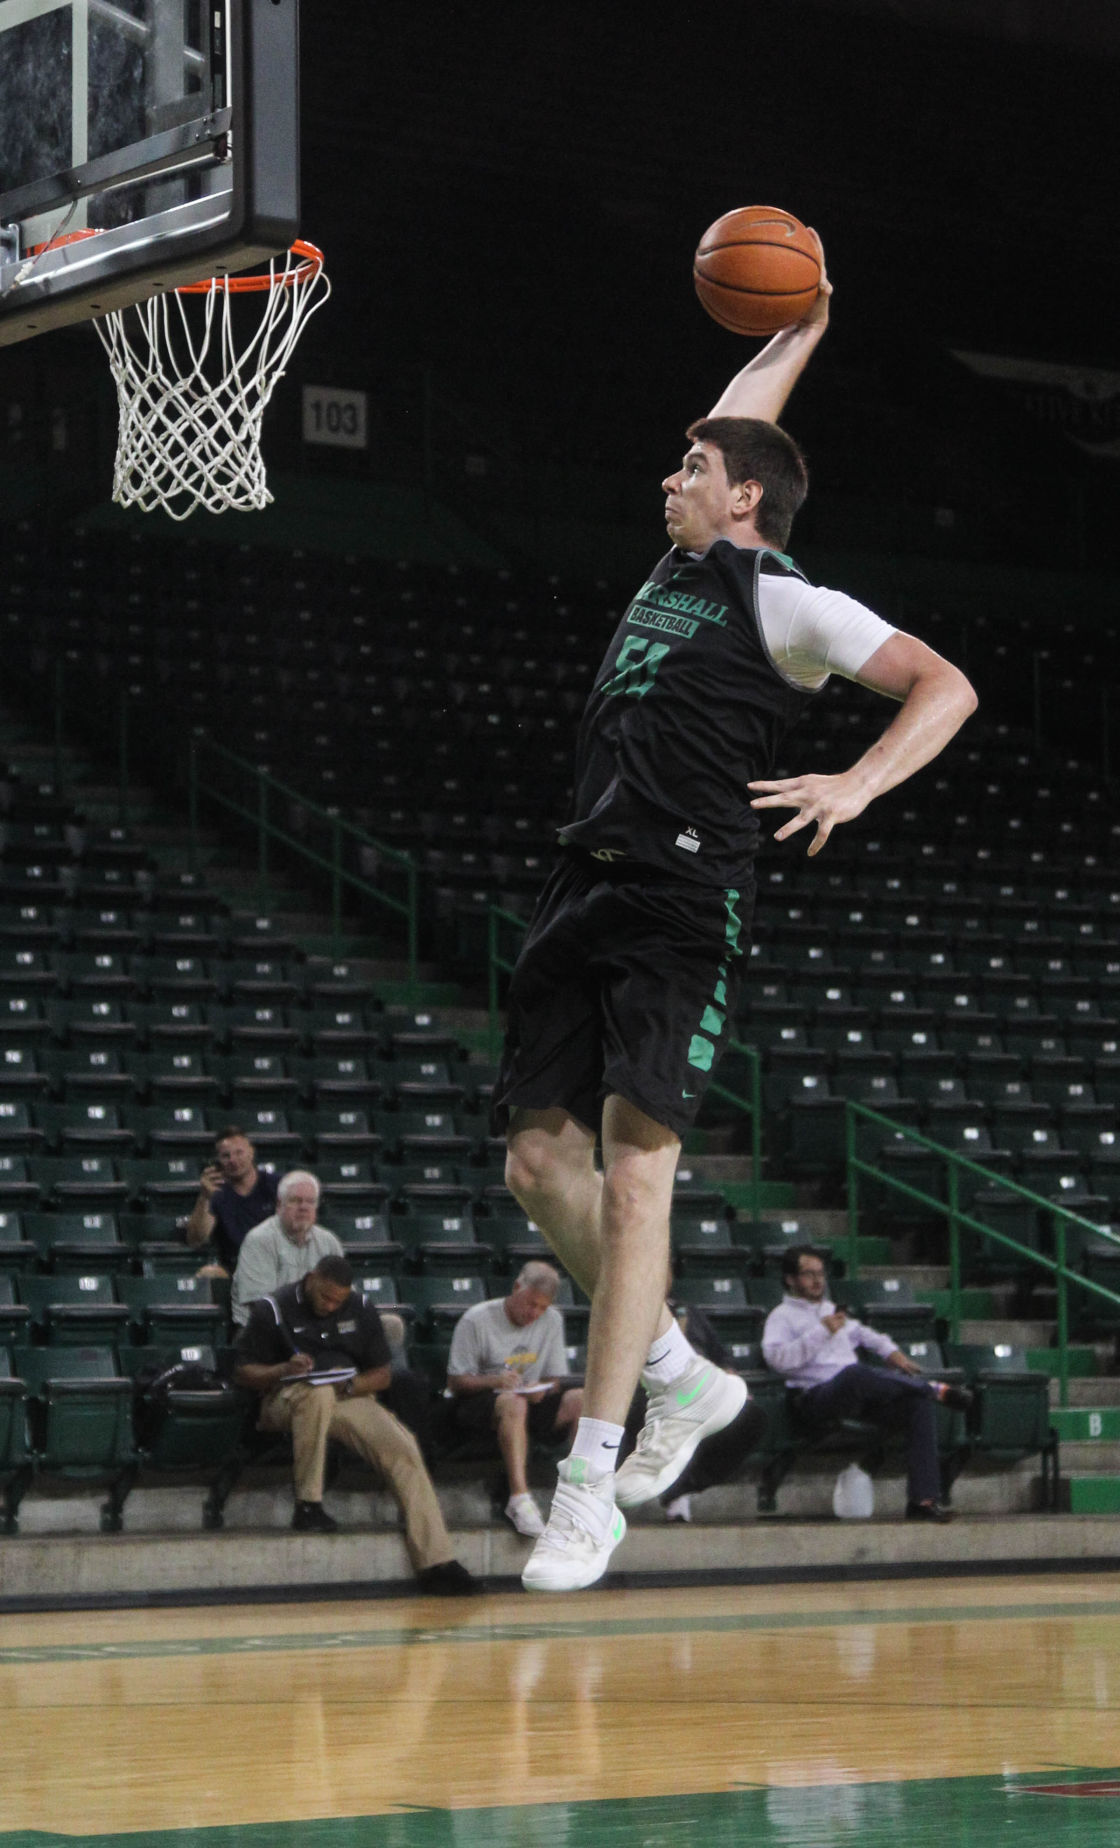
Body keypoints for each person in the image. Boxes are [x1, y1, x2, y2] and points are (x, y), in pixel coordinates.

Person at [492, 238, 979, 1592]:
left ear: (744, 495)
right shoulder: (668, 572)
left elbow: (944, 685)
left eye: (694, 471)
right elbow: (744, 393)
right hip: (579, 877)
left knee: (638, 1174)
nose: (672, 475)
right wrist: (807, 317)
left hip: (680, 901)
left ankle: (591, 1479)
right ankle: (680, 1378)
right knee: (536, 1169)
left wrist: (860, 781)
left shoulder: (795, 605)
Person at [234, 1254, 477, 1593]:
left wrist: (349, 1386)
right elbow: (243, 1372)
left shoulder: (360, 1307)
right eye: (326, 1297)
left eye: (339, 1300)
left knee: (403, 1446)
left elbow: (382, 1375)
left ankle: (437, 1561)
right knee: (315, 1396)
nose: (332, 1306)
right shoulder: (273, 1309)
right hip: (285, 1398)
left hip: (346, 1396)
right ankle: (309, 1504)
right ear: (312, 1278)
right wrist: (282, 1370)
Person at [761, 1245, 971, 1521]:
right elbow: (778, 1359)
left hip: (857, 1397)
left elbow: (867, 1335)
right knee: (855, 1374)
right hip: (815, 1398)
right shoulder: (782, 1316)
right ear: (790, 1279)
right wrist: (821, 1333)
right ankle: (931, 1388)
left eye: (820, 1274)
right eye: (808, 1274)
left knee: (916, 1405)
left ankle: (923, 1500)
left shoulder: (831, 1311)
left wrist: (891, 1352)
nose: (817, 1280)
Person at [446, 1262, 583, 1538]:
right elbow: (456, 1381)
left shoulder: (552, 1320)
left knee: (582, 1399)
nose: (534, 1313)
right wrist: (495, 1381)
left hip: (528, 1398)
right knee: (513, 1403)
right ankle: (519, 1499)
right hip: (481, 1401)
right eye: (531, 1304)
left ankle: (579, 1494)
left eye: (542, 1308)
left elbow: (556, 1378)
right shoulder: (477, 1319)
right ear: (516, 1288)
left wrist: (542, 1388)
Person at [623, 1270, 769, 1524]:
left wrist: (730, 1387)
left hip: (702, 1392)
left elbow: (722, 1359)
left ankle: (683, 1487)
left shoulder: (687, 1312)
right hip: (650, 1395)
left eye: (664, 1269)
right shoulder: (627, 1310)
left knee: (752, 1418)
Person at [230, 1170, 343, 1326]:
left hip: (315, 1328)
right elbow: (263, 1306)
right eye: (296, 1200)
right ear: (279, 1205)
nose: (303, 1207)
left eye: (310, 1201)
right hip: (263, 1330)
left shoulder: (329, 1242)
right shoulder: (259, 1240)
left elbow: (342, 1295)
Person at [184, 1125, 279, 1272]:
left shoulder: (276, 1185)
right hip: (235, 1268)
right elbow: (196, 1240)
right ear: (218, 1161)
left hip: (274, 1263)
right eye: (226, 1156)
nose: (233, 1160)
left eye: (239, 1153)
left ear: (251, 1153)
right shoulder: (215, 1192)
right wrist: (205, 1197)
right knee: (207, 1273)